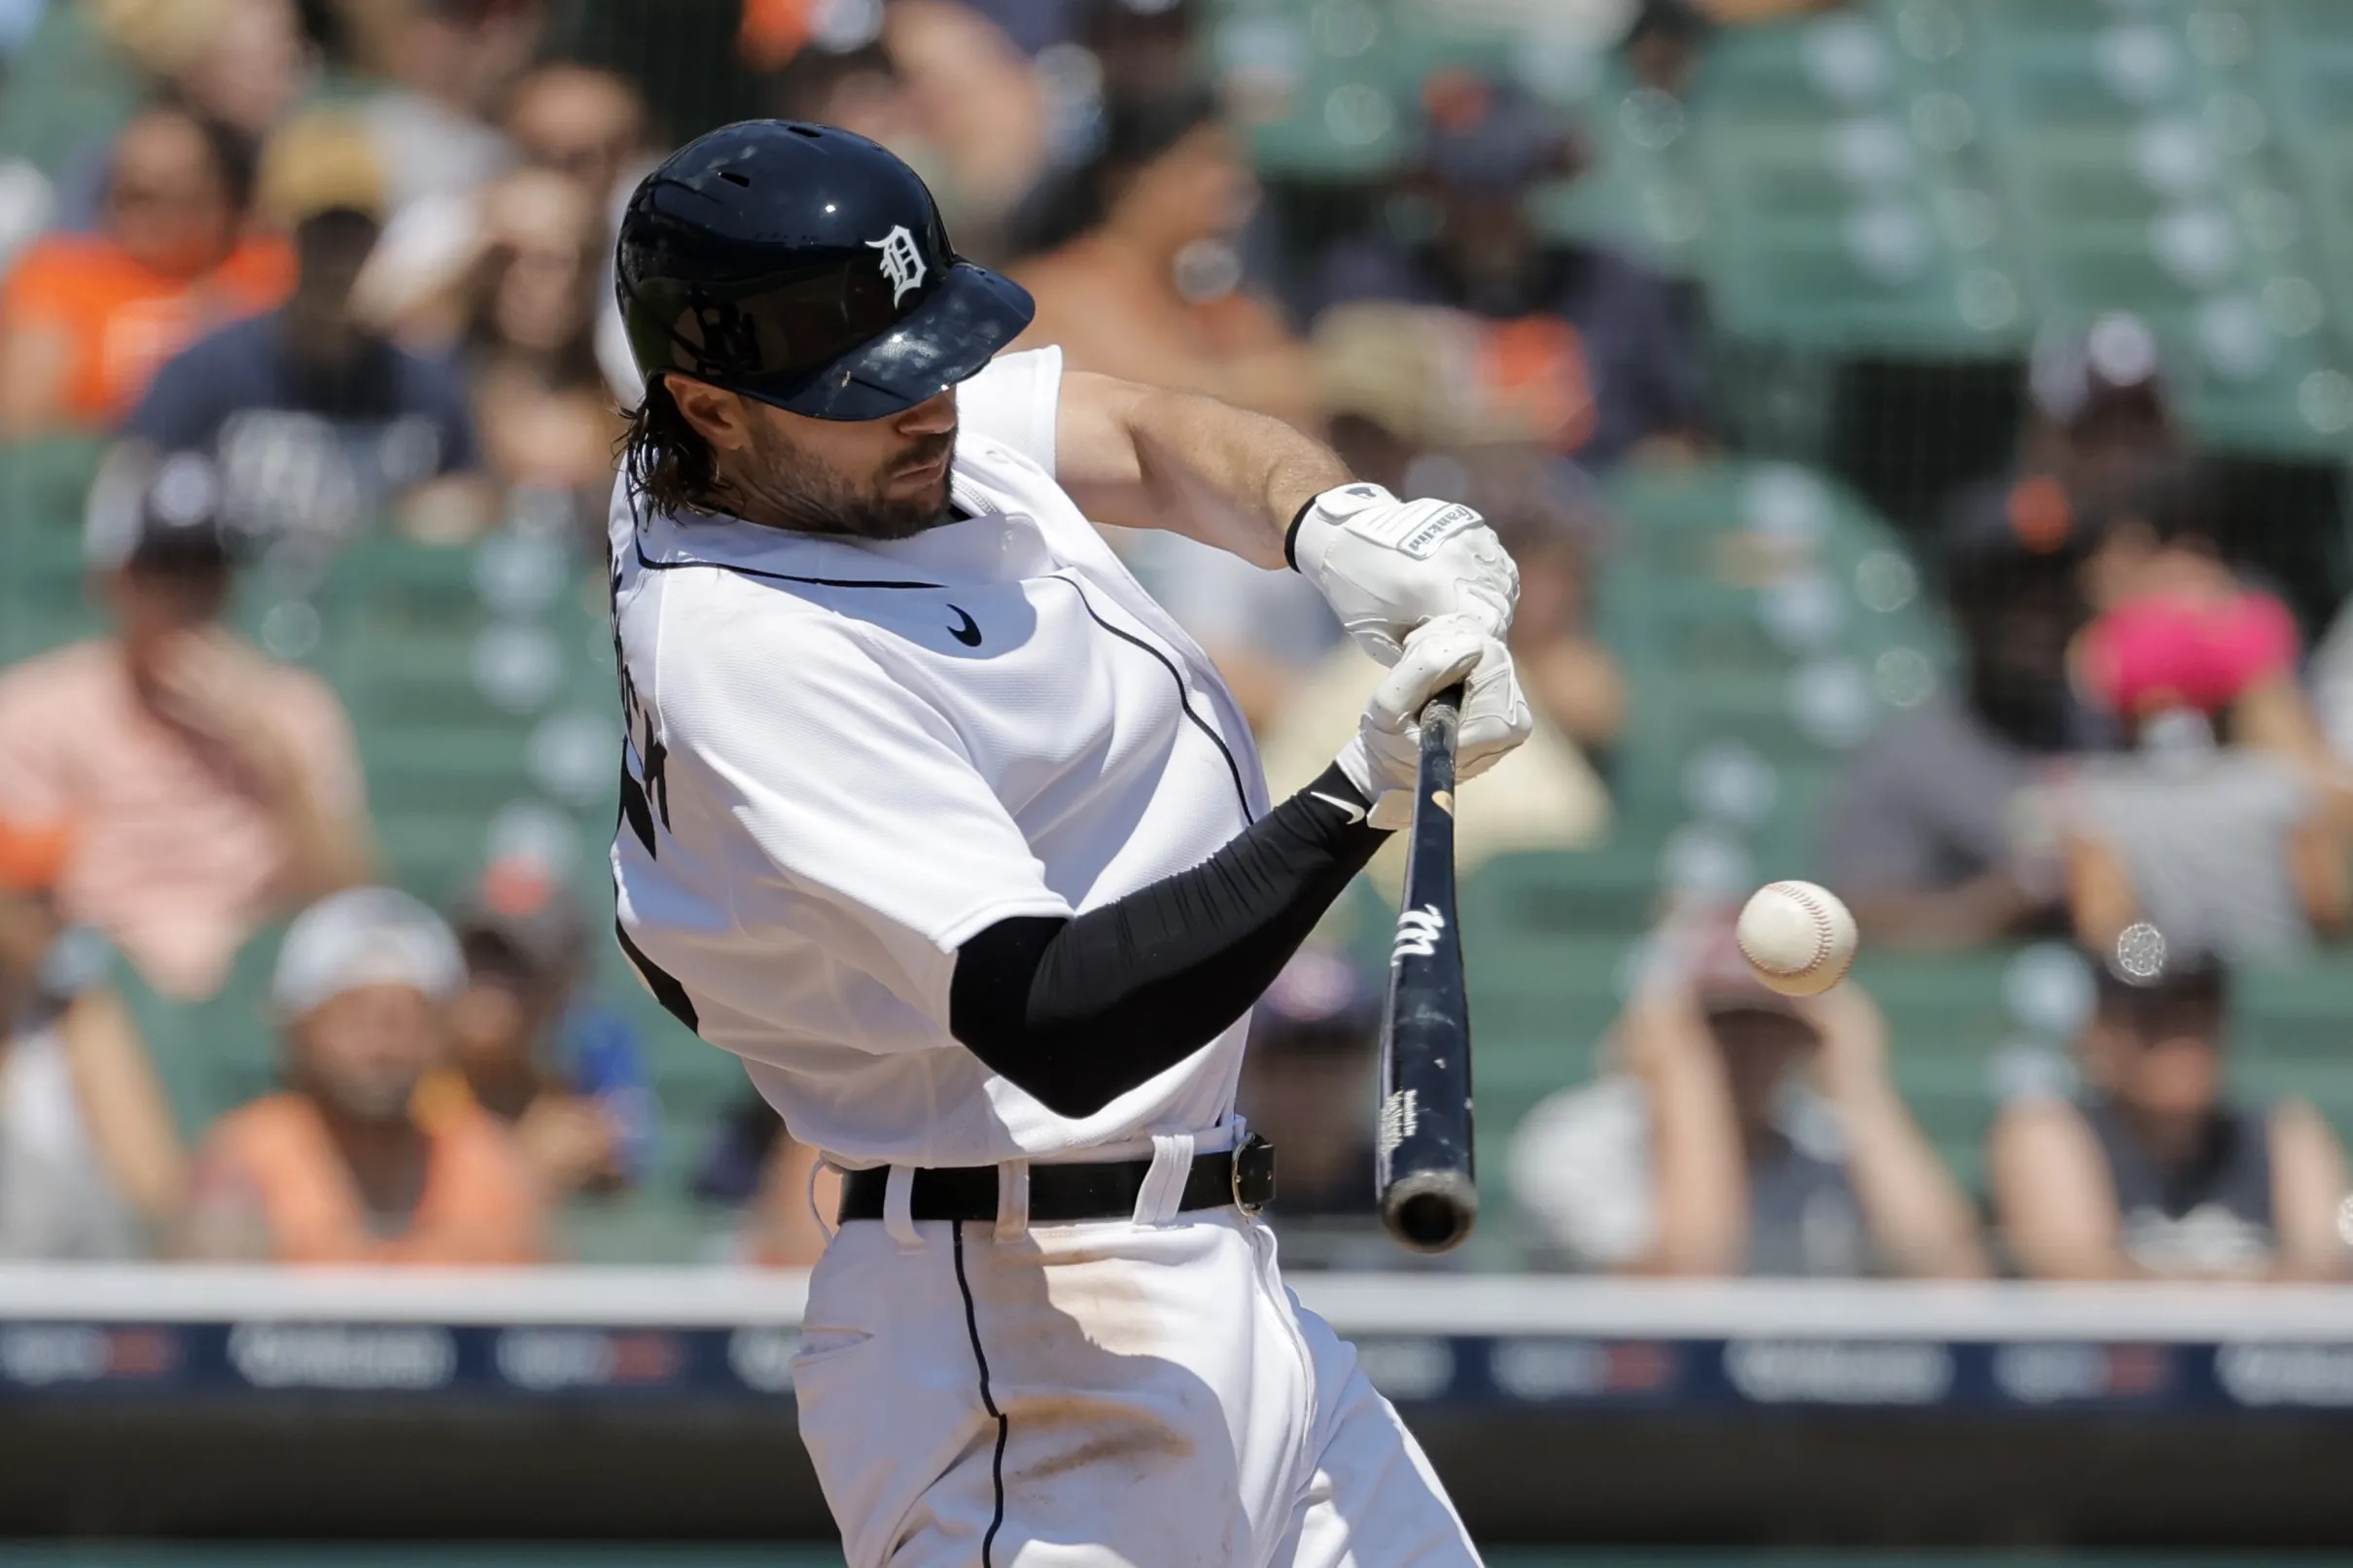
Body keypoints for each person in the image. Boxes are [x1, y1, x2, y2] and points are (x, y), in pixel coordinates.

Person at [609, 122, 1528, 1568]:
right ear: (708, 407)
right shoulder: (745, 640)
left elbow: (1153, 433)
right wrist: (1361, 793)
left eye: (929, 361)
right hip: (1019, 1329)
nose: (929, 409)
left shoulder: (830, 452)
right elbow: (1060, 1020)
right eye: (870, 387)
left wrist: (1333, 522)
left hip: (1218, 1276)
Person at [0, 453, 372, 999]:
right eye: (164, 571)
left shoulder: (292, 710)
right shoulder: (36, 712)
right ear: (116, 580)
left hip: (260, 994)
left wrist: (271, 755)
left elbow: (352, 902)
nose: (188, 598)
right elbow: (20, 909)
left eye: (206, 571)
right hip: (87, 994)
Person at [1510, 915, 1985, 1278]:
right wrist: (1682, 1074)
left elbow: (1951, 1284)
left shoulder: (1824, 1147)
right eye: (1720, 1022)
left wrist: (1859, 1085)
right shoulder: (1577, 1144)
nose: (1746, 1046)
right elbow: (1689, 1289)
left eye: (1769, 1023)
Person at [122, 113, 490, 544]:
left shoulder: (422, 385)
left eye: (354, 233)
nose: (336, 260)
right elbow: (131, 500)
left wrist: (453, 511)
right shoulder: (206, 374)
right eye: (318, 236)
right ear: (277, 238)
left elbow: (471, 496)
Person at [1313, 71, 1702, 470]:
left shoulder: (1612, 287)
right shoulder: (1373, 283)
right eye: (1466, 191)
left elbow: (1677, 438)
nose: (1489, 213)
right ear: (1430, 188)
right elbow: (1339, 419)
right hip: (1424, 497)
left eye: (1508, 189)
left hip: (1588, 494)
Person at [180, 886, 546, 1265]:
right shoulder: (246, 1164)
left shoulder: (487, 1166)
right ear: (299, 1027)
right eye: (354, 1018)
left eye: (406, 1020)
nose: (381, 1045)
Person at [1818, 475, 2091, 948]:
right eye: (2009, 590)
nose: (2039, 611)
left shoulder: (2122, 736)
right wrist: (2008, 898)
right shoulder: (1908, 759)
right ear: (1959, 601)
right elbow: (1858, 925)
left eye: (2058, 587)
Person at [1987, 928, 2349, 1281]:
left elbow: (2328, 1268)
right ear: (2100, 1036)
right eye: (2154, 1023)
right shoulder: (2050, 1130)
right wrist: (2242, 1283)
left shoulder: (2281, 1132)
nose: (2182, 1040)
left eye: (2199, 1017)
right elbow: (2073, 1277)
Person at [1011, 87, 1317, 426]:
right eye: (1207, 162)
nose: (1231, 183)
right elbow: (1132, 396)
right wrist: (1311, 376)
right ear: (1129, 177)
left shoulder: (1222, 306)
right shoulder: (1055, 295)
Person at [0, 101, 293, 434]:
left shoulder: (273, 271)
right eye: (123, 186)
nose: (132, 203)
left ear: (223, 197)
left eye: (162, 189)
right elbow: (22, 427)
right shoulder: (60, 275)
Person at [0, 813, 185, 1258]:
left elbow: (157, 1195)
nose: (58, 917)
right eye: (35, 899)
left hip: (65, 1282)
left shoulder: (79, 1023)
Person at [430, 854, 652, 1198]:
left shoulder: (575, 1118)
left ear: (564, 985)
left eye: (518, 964)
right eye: (478, 955)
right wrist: (523, 1167)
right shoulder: (398, 1091)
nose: (492, 982)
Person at [1230, 945, 1384, 1268]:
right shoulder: (1205, 1189)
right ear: (1248, 1064)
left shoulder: (1404, 1193)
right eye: (1288, 1056)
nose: (1315, 1082)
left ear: (1368, 1062)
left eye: (1337, 1052)